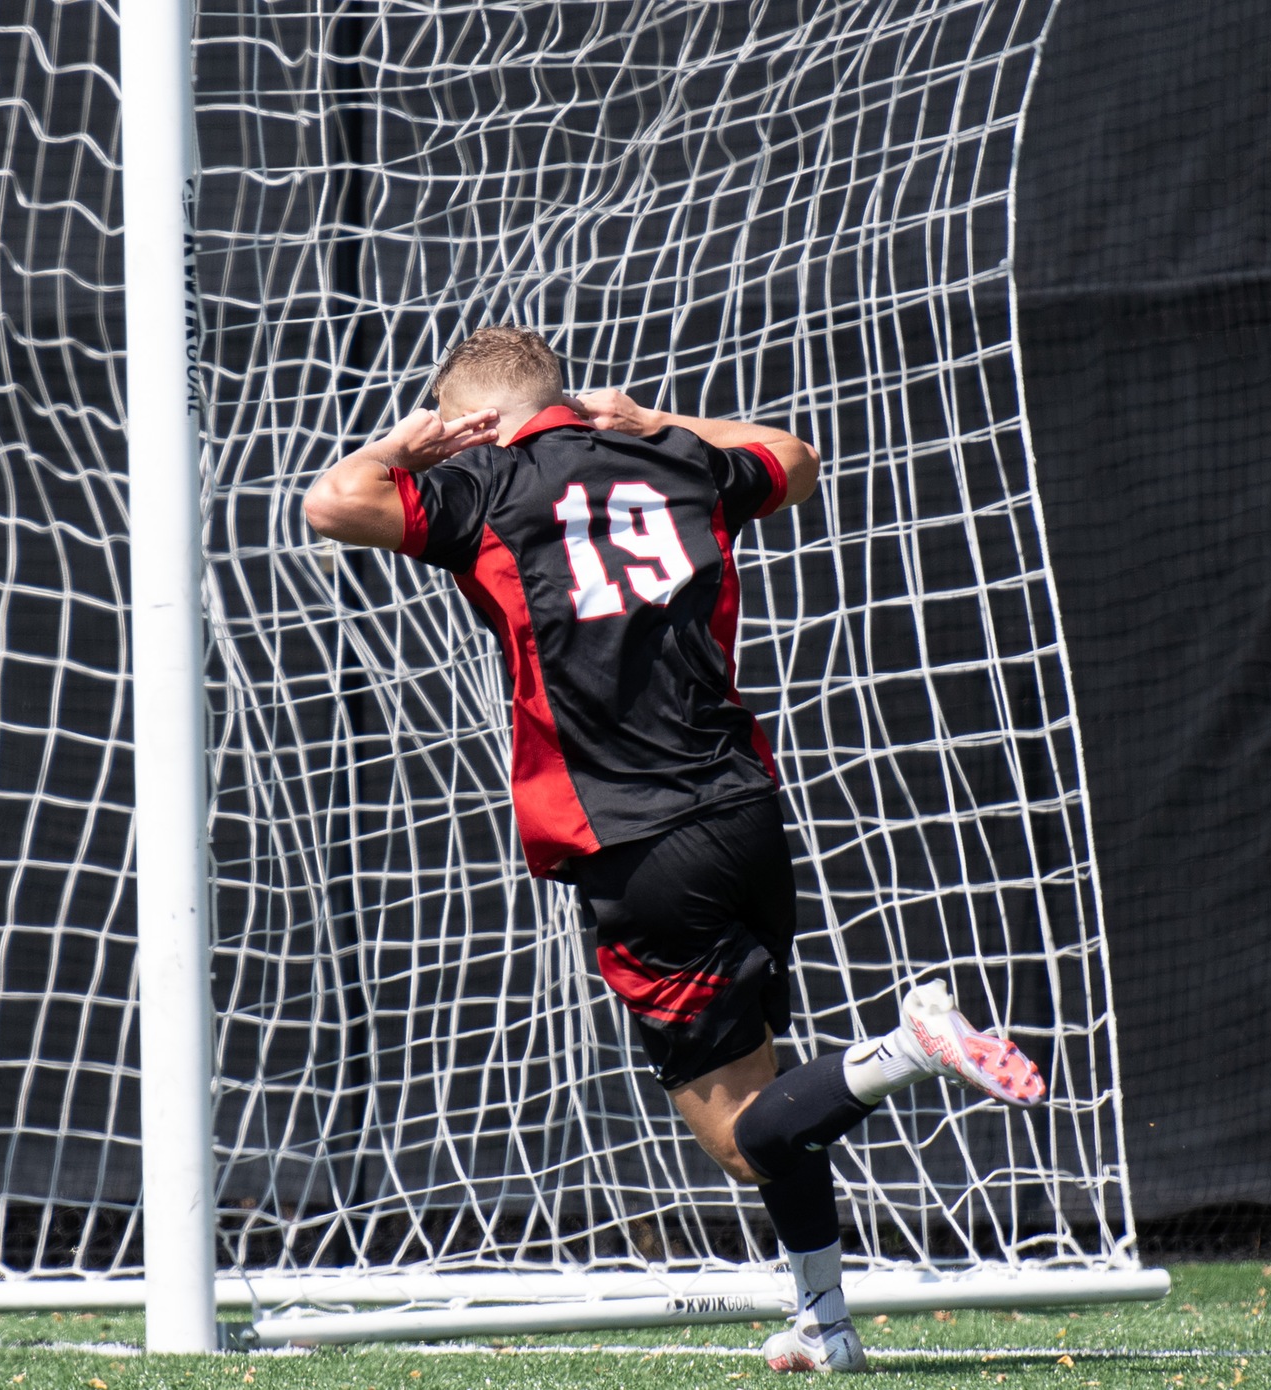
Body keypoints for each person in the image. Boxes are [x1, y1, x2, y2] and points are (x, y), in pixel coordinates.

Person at [300, 326, 1046, 1374]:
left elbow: (330, 501)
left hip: (631, 841)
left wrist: (408, 444)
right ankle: (825, 1323)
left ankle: (911, 1045)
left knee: (743, 1135)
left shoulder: (478, 489)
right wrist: (659, 420)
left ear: (469, 419)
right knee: (778, 1102)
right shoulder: (670, 457)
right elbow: (794, 457)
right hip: (744, 811)